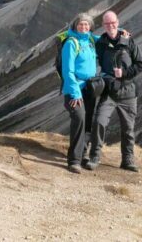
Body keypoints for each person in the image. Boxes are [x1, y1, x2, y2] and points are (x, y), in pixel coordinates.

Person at [86, 10, 142, 172]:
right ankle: (95, 156)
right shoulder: (100, 44)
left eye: (113, 23)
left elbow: (140, 64)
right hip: (109, 93)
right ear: (103, 26)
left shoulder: (129, 41)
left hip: (128, 93)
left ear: (118, 23)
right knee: (99, 122)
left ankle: (127, 160)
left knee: (128, 129)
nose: (110, 26)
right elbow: (90, 57)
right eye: (107, 24)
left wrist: (124, 73)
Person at [61, 12, 98, 174]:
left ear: (90, 27)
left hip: (90, 89)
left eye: (87, 24)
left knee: (88, 121)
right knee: (79, 118)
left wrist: (122, 31)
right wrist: (75, 93)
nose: (84, 27)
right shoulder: (71, 43)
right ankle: (74, 160)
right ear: (75, 26)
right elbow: (67, 71)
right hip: (74, 89)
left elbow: (108, 37)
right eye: (81, 24)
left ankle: (83, 155)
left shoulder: (90, 40)